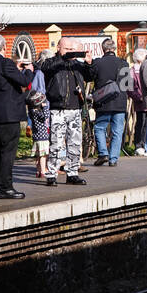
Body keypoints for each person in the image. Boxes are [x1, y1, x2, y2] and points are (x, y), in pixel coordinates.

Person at [0, 33, 35, 199]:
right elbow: (24, 82)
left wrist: (15, 68)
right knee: (8, 152)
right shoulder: (5, 63)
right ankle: (6, 187)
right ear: (4, 47)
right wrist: (28, 71)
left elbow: (2, 79)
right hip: (8, 114)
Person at [40, 38, 96, 185]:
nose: (70, 52)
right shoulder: (51, 62)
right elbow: (45, 67)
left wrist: (89, 63)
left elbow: (90, 76)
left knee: (75, 143)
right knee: (56, 144)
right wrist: (64, 58)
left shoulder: (76, 64)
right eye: (67, 49)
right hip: (58, 109)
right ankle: (51, 174)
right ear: (59, 47)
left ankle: (72, 173)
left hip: (75, 108)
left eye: (72, 49)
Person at [90, 38, 129, 167]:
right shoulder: (123, 63)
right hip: (120, 102)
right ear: (114, 49)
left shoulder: (98, 63)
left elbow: (90, 77)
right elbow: (127, 85)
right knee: (117, 131)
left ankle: (103, 153)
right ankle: (113, 159)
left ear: (103, 49)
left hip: (104, 101)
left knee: (100, 127)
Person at [28, 49, 53, 178]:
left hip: (42, 109)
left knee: (41, 148)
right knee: (43, 148)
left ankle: (42, 168)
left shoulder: (40, 72)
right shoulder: (39, 73)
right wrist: (43, 106)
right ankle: (44, 168)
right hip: (42, 108)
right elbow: (38, 92)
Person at [127, 46, 147, 155]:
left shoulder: (146, 69)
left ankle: (145, 144)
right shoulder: (132, 71)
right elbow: (129, 89)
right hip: (140, 102)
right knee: (141, 123)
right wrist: (138, 97)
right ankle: (139, 145)